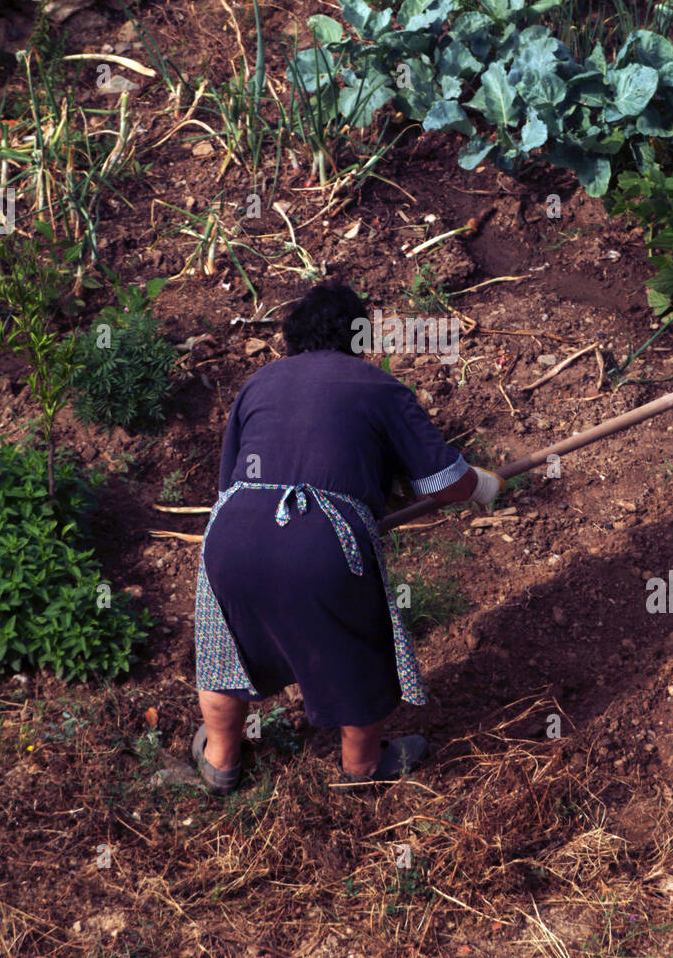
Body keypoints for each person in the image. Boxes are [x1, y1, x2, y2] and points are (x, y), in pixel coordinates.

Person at [192, 280, 504, 792]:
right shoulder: (379, 388)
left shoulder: (260, 383)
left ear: (293, 337)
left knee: (226, 642)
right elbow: (446, 483)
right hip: (323, 539)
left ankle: (221, 760)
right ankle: (361, 767)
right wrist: (484, 486)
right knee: (358, 645)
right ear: (360, 338)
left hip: (232, 533)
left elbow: (233, 482)